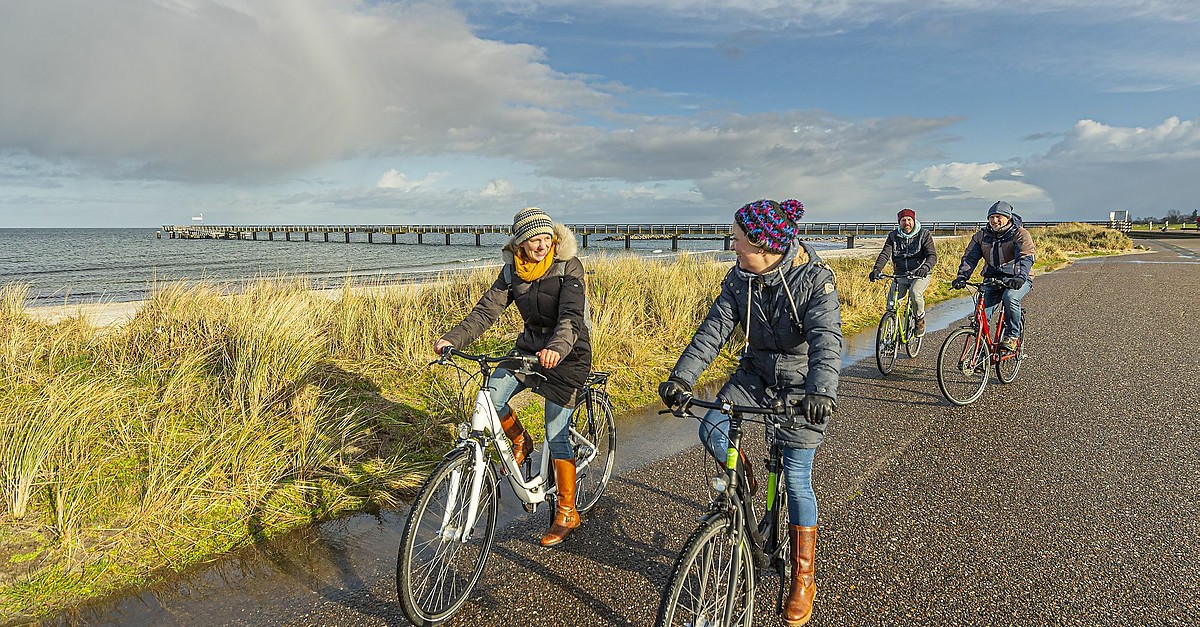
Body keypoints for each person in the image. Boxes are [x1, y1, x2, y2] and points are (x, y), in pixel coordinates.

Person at [658, 199, 841, 627]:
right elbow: (713, 331)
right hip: (755, 374)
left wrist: (820, 392)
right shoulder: (739, 278)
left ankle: (803, 577)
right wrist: (681, 378)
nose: (732, 245)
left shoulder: (814, 279)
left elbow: (827, 341)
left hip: (802, 386)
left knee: (796, 478)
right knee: (712, 427)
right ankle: (743, 477)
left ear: (763, 246)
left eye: (738, 239)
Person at [433, 207, 592, 547]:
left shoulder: (568, 266)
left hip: (568, 354)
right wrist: (452, 339)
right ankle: (520, 441)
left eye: (547, 238)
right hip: (530, 349)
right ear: (520, 243)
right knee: (491, 397)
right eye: (535, 240)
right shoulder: (511, 272)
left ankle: (567, 511)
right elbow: (485, 312)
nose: (542, 245)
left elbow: (571, 316)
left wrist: (557, 348)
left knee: (556, 433)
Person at [951, 200, 1036, 352]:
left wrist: (1020, 277)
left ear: (1008, 218)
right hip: (992, 279)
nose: (994, 220)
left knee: (1010, 298)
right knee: (980, 316)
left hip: (1017, 278)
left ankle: (1012, 336)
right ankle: (982, 353)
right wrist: (962, 276)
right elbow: (970, 258)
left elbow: (1025, 257)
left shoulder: (1019, 234)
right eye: (991, 217)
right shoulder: (981, 236)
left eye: (999, 217)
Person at [868, 207, 937, 336]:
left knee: (915, 293)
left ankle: (919, 320)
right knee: (892, 305)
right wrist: (877, 269)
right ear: (899, 222)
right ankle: (890, 334)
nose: (907, 223)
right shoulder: (893, 236)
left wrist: (925, 267)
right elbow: (885, 254)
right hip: (900, 274)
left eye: (909, 219)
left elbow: (932, 256)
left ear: (914, 221)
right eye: (903, 220)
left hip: (919, 273)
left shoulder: (924, 234)